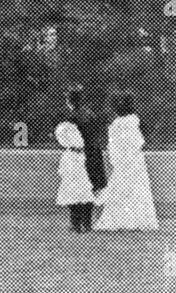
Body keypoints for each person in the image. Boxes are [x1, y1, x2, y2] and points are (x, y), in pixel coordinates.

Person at [93, 94, 159, 231]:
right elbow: (139, 142)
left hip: (125, 161)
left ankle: (122, 220)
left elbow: (114, 145)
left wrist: (117, 160)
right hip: (134, 161)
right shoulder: (132, 121)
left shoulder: (118, 124)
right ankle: (136, 220)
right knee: (136, 189)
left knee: (122, 189)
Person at [55, 116, 95, 234]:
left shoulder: (68, 153)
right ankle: (85, 224)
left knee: (74, 198)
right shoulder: (81, 152)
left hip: (73, 174)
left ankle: (77, 224)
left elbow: (63, 171)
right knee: (84, 197)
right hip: (80, 173)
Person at [67, 88, 109, 198]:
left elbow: (75, 136)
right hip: (95, 147)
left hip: (85, 150)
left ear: (70, 101)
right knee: (97, 179)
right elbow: (97, 127)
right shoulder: (89, 112)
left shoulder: (74, 115)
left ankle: (88, 200)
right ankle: (98, 198)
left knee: (85, 178)